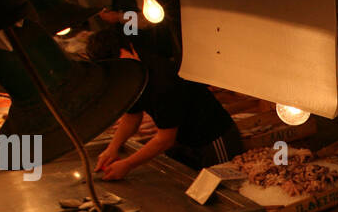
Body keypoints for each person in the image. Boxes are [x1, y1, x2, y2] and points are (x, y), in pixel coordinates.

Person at [86, 30, 242, 179]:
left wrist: (127, 164)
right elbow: (132, 117)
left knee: (222, 188)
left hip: (214, 139)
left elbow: (166, 139)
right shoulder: (132, 76)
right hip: (185, 141)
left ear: (130, 47)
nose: (123, 70)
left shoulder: (162, 79)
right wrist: (112, 148)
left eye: (122, 62)